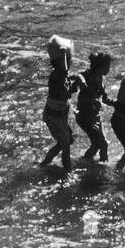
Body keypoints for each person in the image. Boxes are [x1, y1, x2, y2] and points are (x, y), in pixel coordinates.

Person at [40, 35, 78, 172]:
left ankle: (45, 163)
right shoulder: (57, 75)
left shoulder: (63, 76)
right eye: (69, 59)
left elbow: (68, 82)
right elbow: (64, 71)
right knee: (65, 144)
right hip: (54, 116)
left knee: (65, 142)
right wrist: (63, 53)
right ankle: (67, 171)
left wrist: (79, 79)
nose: (71, 62)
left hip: (58, 115)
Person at [74, 52, 113, 162]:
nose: (109, 68)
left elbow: (105, 98)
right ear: (99, 67)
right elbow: (78, 75)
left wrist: (117, 104)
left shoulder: (101, 78)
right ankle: (89, 163)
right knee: (99, 144)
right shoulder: (88, 75)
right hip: (85, 116)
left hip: (95, 116)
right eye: (107, 66)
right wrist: (81, 82)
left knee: (101, 144)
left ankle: (96, 163)